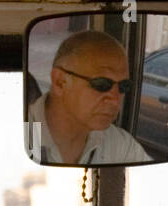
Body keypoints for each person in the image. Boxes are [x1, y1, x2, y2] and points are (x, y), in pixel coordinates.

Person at [26, 30, 151, 166]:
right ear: (60, 82)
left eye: (123, 86)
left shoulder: (120, 146)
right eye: (102, 84)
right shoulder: (15, 136)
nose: (115, 101)